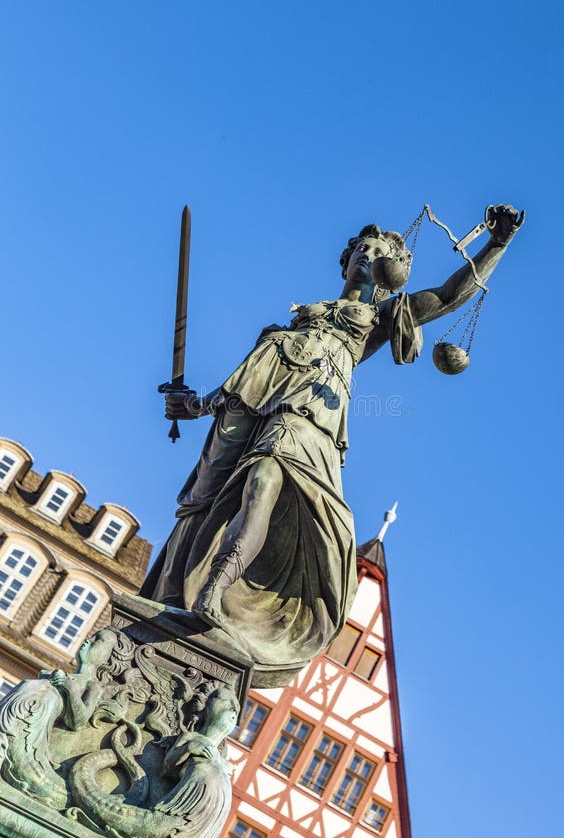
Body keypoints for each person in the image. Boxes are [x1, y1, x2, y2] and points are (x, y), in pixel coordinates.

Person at [140, 205, 523, 686]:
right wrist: (191, 405)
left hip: (311, 410)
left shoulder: (377, 316)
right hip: (248, 410)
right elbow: (241, 384)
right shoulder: (296, 322)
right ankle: (168, 597)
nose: (366, 254)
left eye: (377, 251)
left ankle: (216, 588)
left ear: (389, 271)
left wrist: (497, 244)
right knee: (201, 505)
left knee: (267, 478)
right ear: (345, 261)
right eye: (361, 248)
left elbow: (448, 296)